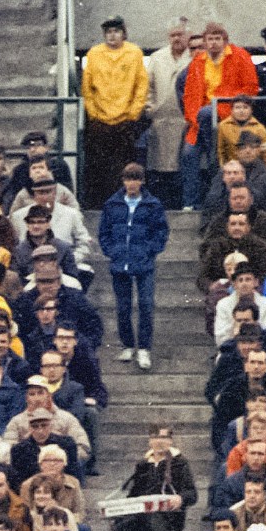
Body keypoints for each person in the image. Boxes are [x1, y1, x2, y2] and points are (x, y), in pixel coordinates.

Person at [98, 166, 169, 375]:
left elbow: (161, 231)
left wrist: (150, 250)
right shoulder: (112, 204)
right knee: (123, 306)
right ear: (123, 181)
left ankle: (144, 348)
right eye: (128, 179)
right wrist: (112, 251)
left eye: (136, 179)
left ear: (142, 181)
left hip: (143, 263)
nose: (131, 183)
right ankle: (128, 345)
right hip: (120, 262)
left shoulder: (152, 205)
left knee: (146, 304)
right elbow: (104, 232)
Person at [82, 26, 153, 210]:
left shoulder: (134, 53)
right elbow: (87, 88)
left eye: (116, 31)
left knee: (123, 165)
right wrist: (93, 114)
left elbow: (141, 85)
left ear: (124, 34)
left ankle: (123, 203)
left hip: (125, 120)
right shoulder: (94, 53)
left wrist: (133, 113)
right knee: (99, 165)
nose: (112, 35)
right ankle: (99, 205)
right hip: (100, 120)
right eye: (108, 32)